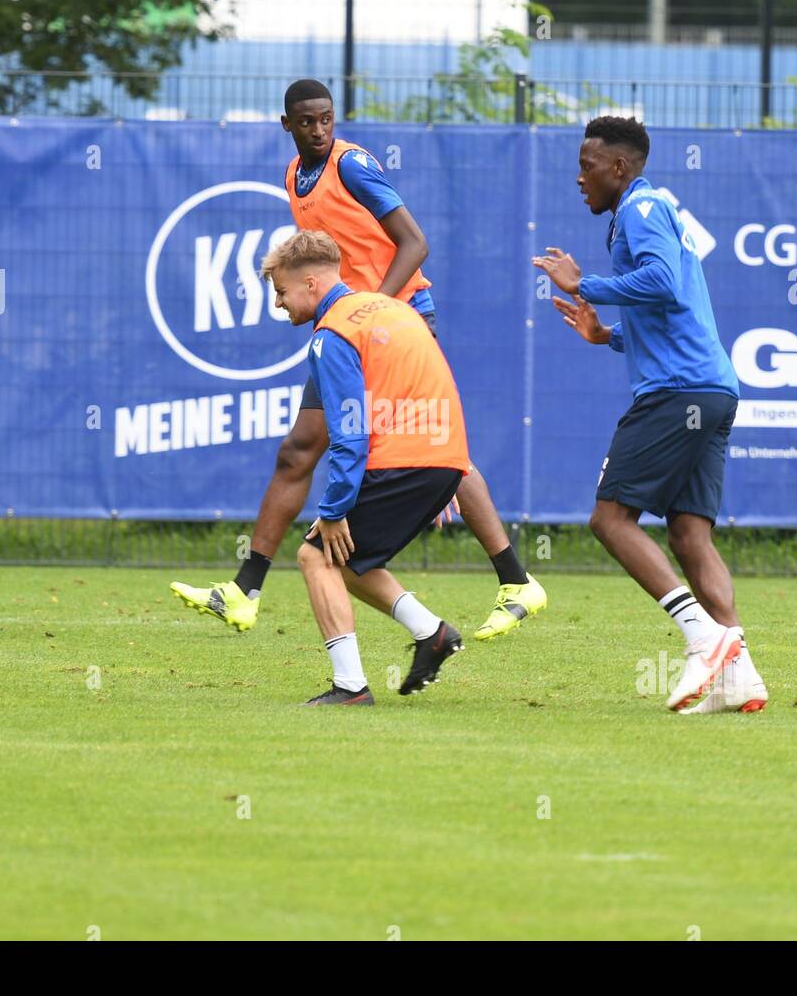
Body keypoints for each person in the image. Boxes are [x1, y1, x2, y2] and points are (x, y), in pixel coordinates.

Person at [172, 79, 546, 640]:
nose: (319, 130)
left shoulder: (353, 166)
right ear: (287, 125)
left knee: (439, 447)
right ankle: (244, 590)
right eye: (306, 122)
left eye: (326, 120)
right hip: (355, 329)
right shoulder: (294, 178)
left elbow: (414, 242)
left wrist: (375, 306)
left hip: (398, 322)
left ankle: (516, 580)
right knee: (298, 450)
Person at [534, 115, 767, 714]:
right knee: (690, 534)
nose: (578, 177)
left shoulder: (640, 207)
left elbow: (662, 283)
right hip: (712, 389)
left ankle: (705, 639)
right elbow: (670, 309)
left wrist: (584, 284)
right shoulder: (645, 211)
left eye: (587, 165)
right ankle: (740, 674)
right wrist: (606, 337)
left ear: (619, 166)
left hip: (678, 394)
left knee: (610, 520)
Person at [261, 229, 470, 705]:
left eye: (281, 292)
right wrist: (444, 471)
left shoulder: (331, 333)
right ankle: (433, 633)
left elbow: (350, 431)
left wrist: (333, 509)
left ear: (311, 284)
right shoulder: (395, 308)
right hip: (443, 455)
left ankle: (350, 687)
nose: (279, 304)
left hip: (408, 458)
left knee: (316, 554)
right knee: (346, 559)